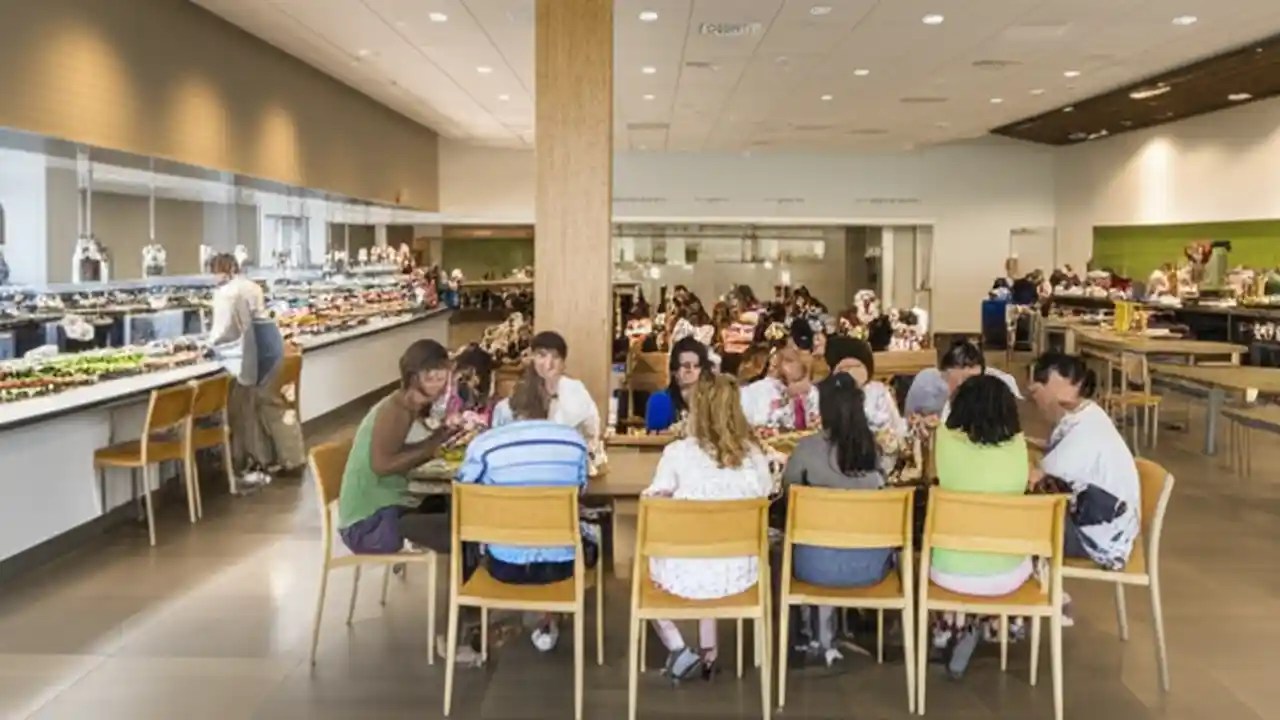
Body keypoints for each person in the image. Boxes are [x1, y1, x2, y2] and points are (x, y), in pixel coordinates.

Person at [457, 364, 596, 652]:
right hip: (560, 568)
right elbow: (580, 491)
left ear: (509, 406)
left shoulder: (485, 446)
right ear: (549, 402)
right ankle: (549, 618)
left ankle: (473, 624)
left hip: (504, 567)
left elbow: (466, 493)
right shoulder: (573, 442)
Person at [643, 375, 774, 681]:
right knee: (715, 543)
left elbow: (654, 501)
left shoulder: (677, 454)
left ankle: (677, 646)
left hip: (682, 577)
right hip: (741, 575)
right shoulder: (753, 456)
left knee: (647, 559)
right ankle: (709, 651)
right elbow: (765, 492)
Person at [781, 373, 891, 666]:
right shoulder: (875, 453)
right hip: (870, 568)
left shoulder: (806, 450)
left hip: (814, 567)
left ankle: (807, 633)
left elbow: (787, 493)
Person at [931, 374, 1030, 678]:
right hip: (1007, 576)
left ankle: (960, 625)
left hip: (948, 572)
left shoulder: (944, 440)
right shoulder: (1019, 446)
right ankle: (986, 623)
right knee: (1032, 551)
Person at [338, 340, 463, 557]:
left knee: (452, 508)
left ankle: (458, 576)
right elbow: (382, 465)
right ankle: (462, 578)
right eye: (430, 377)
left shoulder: (410, 406)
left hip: (388, 508)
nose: (438, 384)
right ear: (413, 377)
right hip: (368, 525)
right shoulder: (395, 409)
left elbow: (403, 450)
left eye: (441, 376)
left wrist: (438, 437)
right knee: (458, 525)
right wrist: (430, 448)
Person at [1028, 353, 1140, 571]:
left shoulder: (1085, 430)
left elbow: (1034, 479)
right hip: (1105, 521)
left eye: (1037, 391)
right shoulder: (1086, 415)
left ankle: (1047, 598)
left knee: (1016, 522)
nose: (1036, 401)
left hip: (1102, 539)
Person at [208, 253, 300, 488]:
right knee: (272, 404)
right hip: (271, 343)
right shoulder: (251, 286)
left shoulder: (226, 293)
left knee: (244, 409)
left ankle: (256, 461)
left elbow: (223, 331)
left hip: (254, 351)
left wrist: (208, 346)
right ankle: (290, 458)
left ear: (222, 270)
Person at [492, 331, 600, 446]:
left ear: (563, 364)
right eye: (542, 355)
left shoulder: (576, 393)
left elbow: (592, 436)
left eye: (556, 357)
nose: (548, 364)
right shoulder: (508, 406)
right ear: (531, 358)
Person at [824, 336, 906, 472]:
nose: (851, 372)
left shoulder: (879, 391)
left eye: (856, 366)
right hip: (835, 460)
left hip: (878, 459)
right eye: (845, 367)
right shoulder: (827, 393)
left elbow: (896, 424)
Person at [904, 340, 1023, 419]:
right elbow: (910, 419)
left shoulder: (996, 386)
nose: (965, 389)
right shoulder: (926, 384)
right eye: (956, 383)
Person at [739, 346, 818, 429]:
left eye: (801, 361)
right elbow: (759, 423)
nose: (798, 365)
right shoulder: (753, 392)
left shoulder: (812, 392)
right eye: (789, 360)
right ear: (776, 362)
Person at [645, 337, 712, 432]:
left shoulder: (712, 401)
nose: (691, 370)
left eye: (696, 366)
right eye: (686, 366)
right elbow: (655, 438)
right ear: (674, 371)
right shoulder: (660, 400)